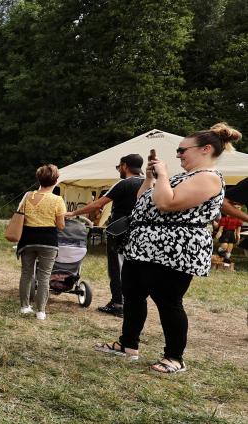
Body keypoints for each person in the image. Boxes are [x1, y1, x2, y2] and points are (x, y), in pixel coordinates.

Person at [96, 123, 240, 373]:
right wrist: (151, 178)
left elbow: (166, 203)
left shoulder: (208, 177)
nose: (178, 154)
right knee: (132, 294)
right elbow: (143, 199)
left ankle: (175, 357)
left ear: (205, 149)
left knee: (168, 301)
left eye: (182, 150)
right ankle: (128, 345)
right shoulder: (181, 176)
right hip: (144, 245)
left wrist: (162, 175)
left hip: (176, 249)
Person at [67, 154, 145, 316]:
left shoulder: (124, 183)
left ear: (124, 166)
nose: (119, 170)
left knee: (117, 267)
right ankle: (132, 303)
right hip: (142, 233)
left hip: (120, 231)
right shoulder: (150, 183)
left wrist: (74, 212)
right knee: (135, 269)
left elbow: (99, 203)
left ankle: (118, 303)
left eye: (119, 167)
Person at [17, 164, 67, 320]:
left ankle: (25, 307)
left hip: (27, 240)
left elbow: (20, 216)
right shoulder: (57, 200)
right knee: (44, 276)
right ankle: (40, 312)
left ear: (38, 179)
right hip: (48, 241)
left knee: (26, 274)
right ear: (56, 180)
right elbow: (60, 226)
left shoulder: (27, 196)